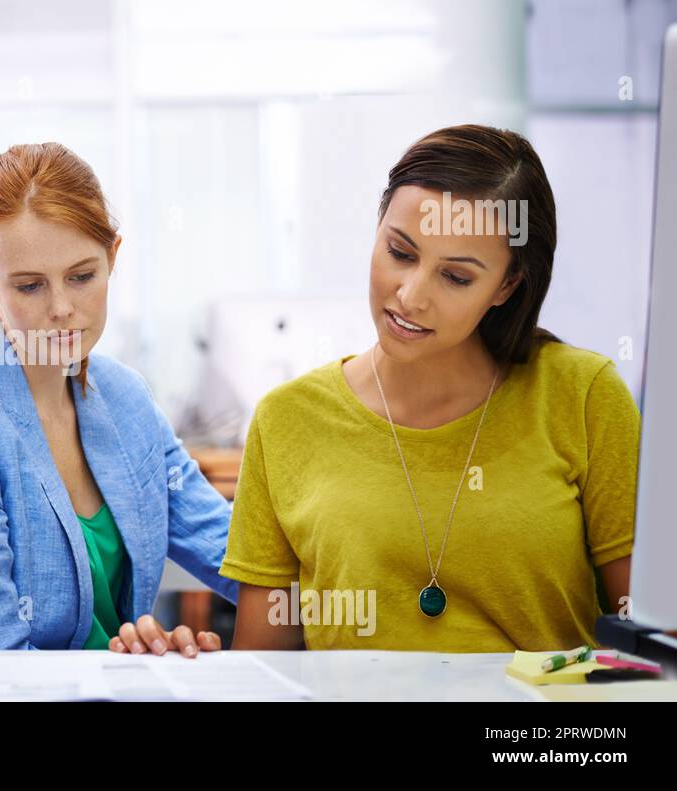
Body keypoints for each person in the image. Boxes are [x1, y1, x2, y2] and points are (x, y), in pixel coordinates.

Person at [223, 124, 637, 651]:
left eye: (456, 277)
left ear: (507, 286)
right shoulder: (287, 418)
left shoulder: (583, 395)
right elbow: (265, 671)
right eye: (400, 252)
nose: (410, 296)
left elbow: (650, 642)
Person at [0, 142, 233, 655]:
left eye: (82, 277)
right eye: (29, 286)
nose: (61, 309)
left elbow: (233, 555)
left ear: (112, 257)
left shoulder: (126, 399)